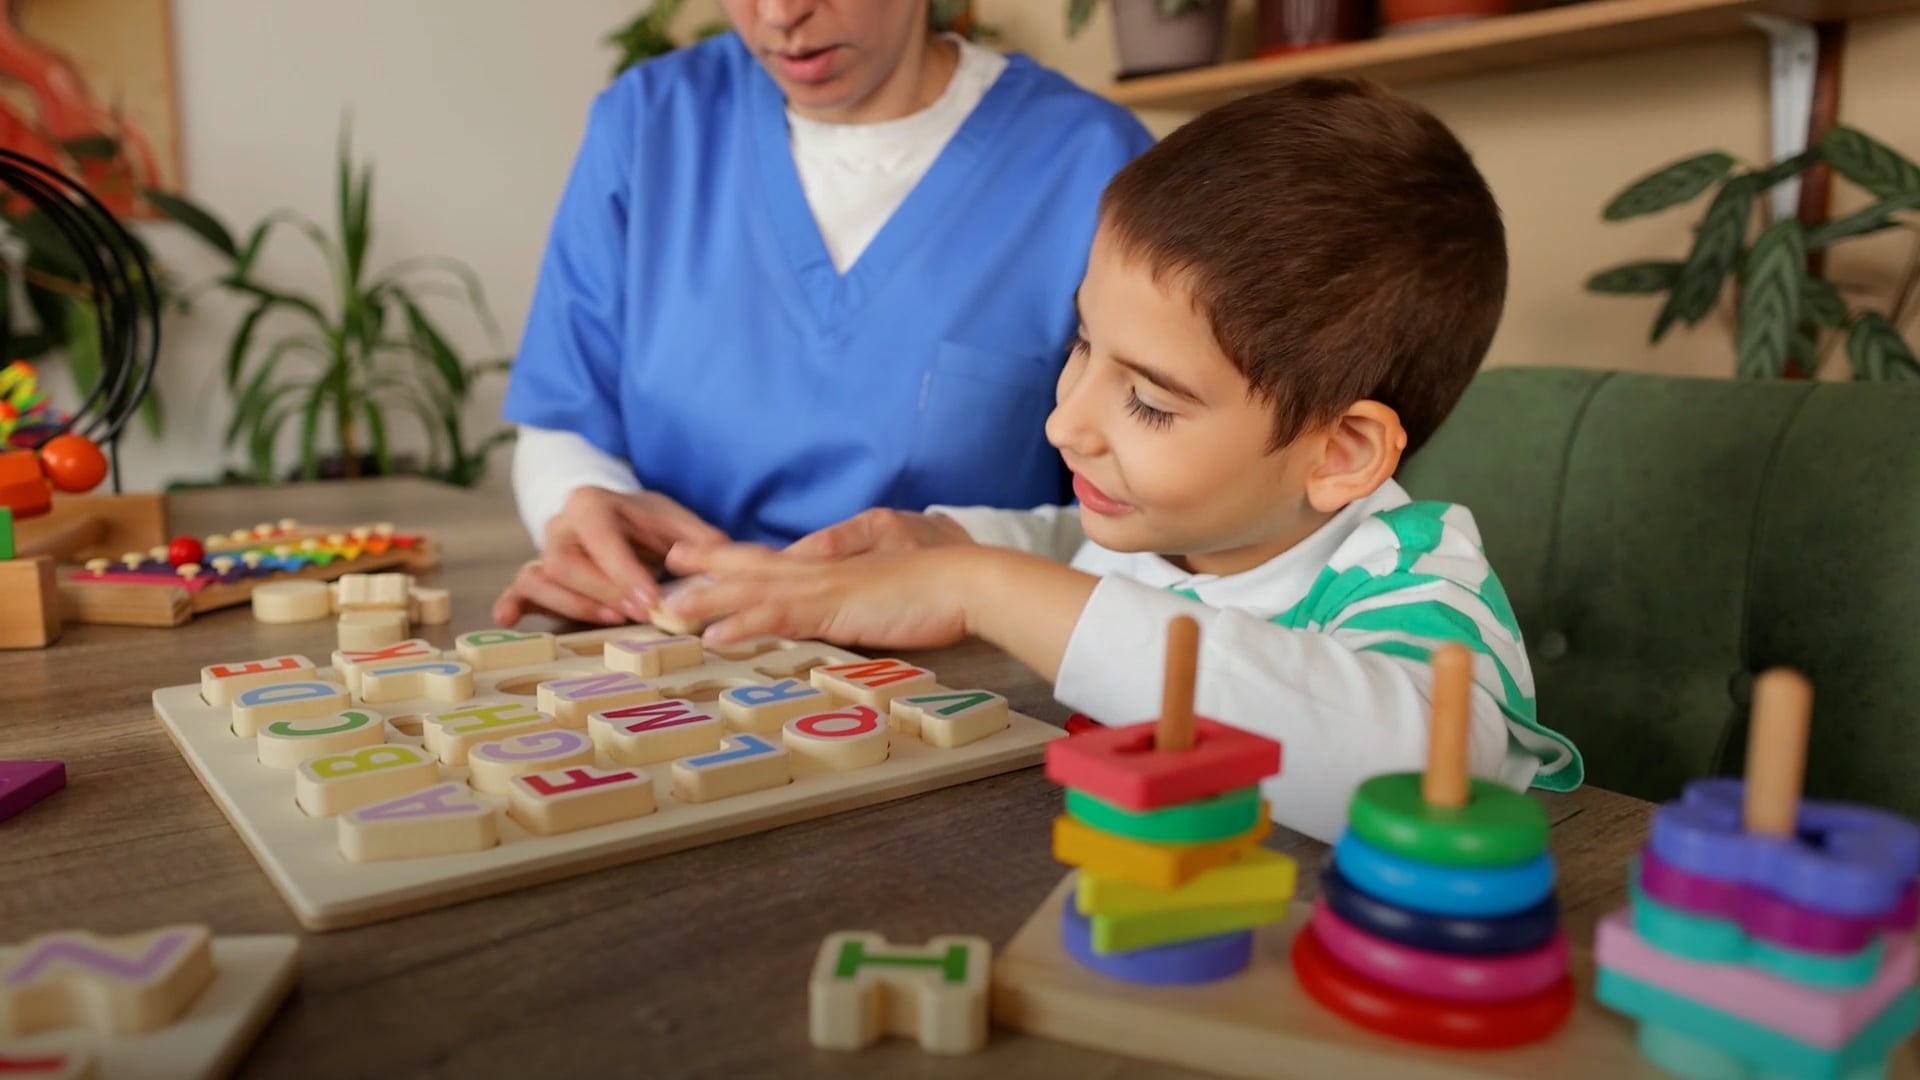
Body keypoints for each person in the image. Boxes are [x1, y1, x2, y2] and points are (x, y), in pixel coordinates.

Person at [658, 76, 1585, 844]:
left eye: (1146, 398)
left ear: (1340, 452)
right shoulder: (1171, 522)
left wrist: (981, 585)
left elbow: (1417, 773)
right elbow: (1077, 549)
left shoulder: (1414, 584)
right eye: (1080, 346)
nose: (1066, 423)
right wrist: (938, 539)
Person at [493, 1, 1154, 630]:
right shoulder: (649, 124)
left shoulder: (1090, 161)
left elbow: (1169, 511)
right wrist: (578, 499)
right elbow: (564, 416)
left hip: (969, 677)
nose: (781, 16)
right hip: (680, 649)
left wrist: (967, 560)